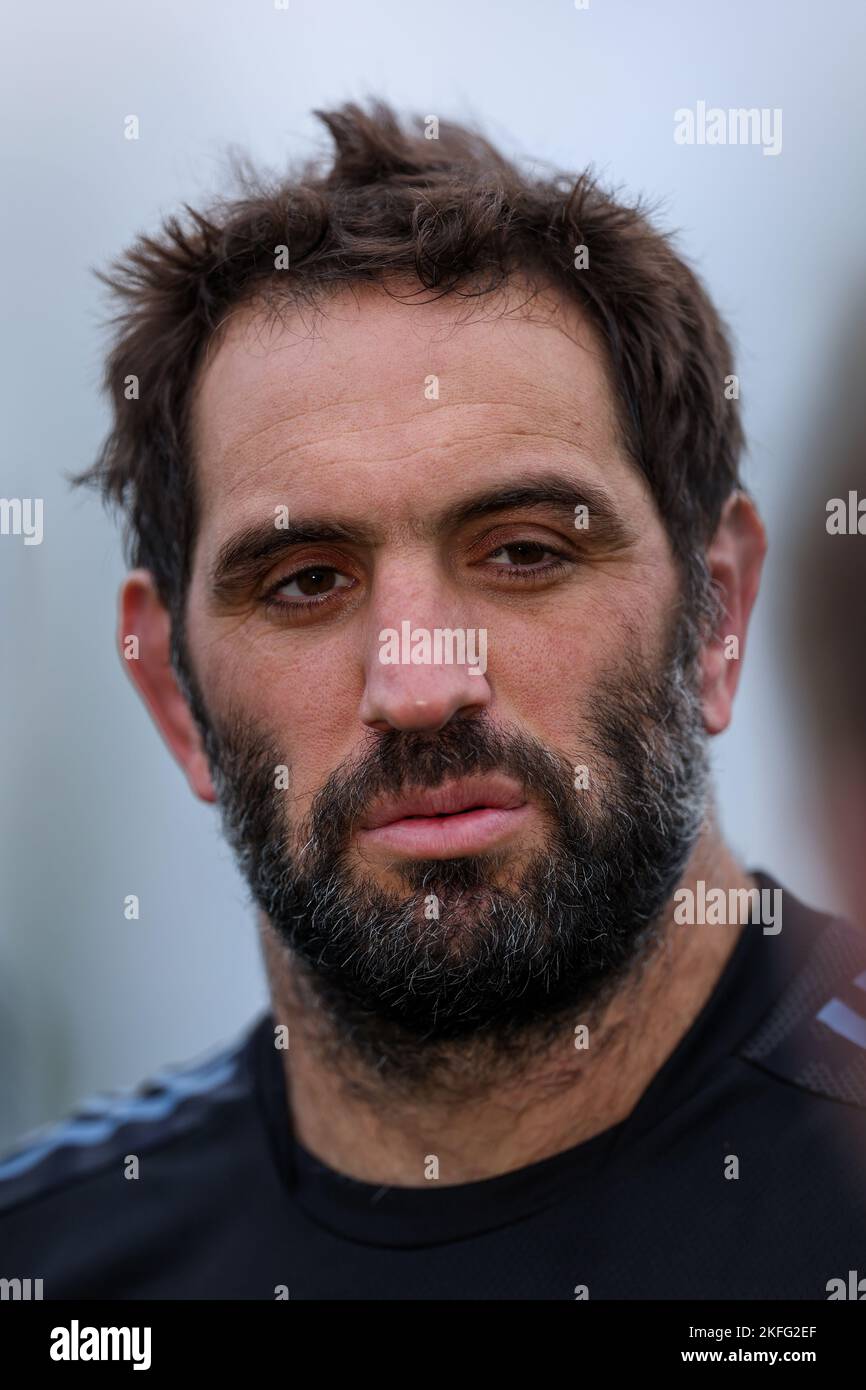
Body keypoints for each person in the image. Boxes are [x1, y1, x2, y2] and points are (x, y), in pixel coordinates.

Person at [2, 101, 865, 1301]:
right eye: (304, 581)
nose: (417, 683)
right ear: (172, 692)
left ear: (714, 615)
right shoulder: (47, 1268)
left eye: (522, 553)